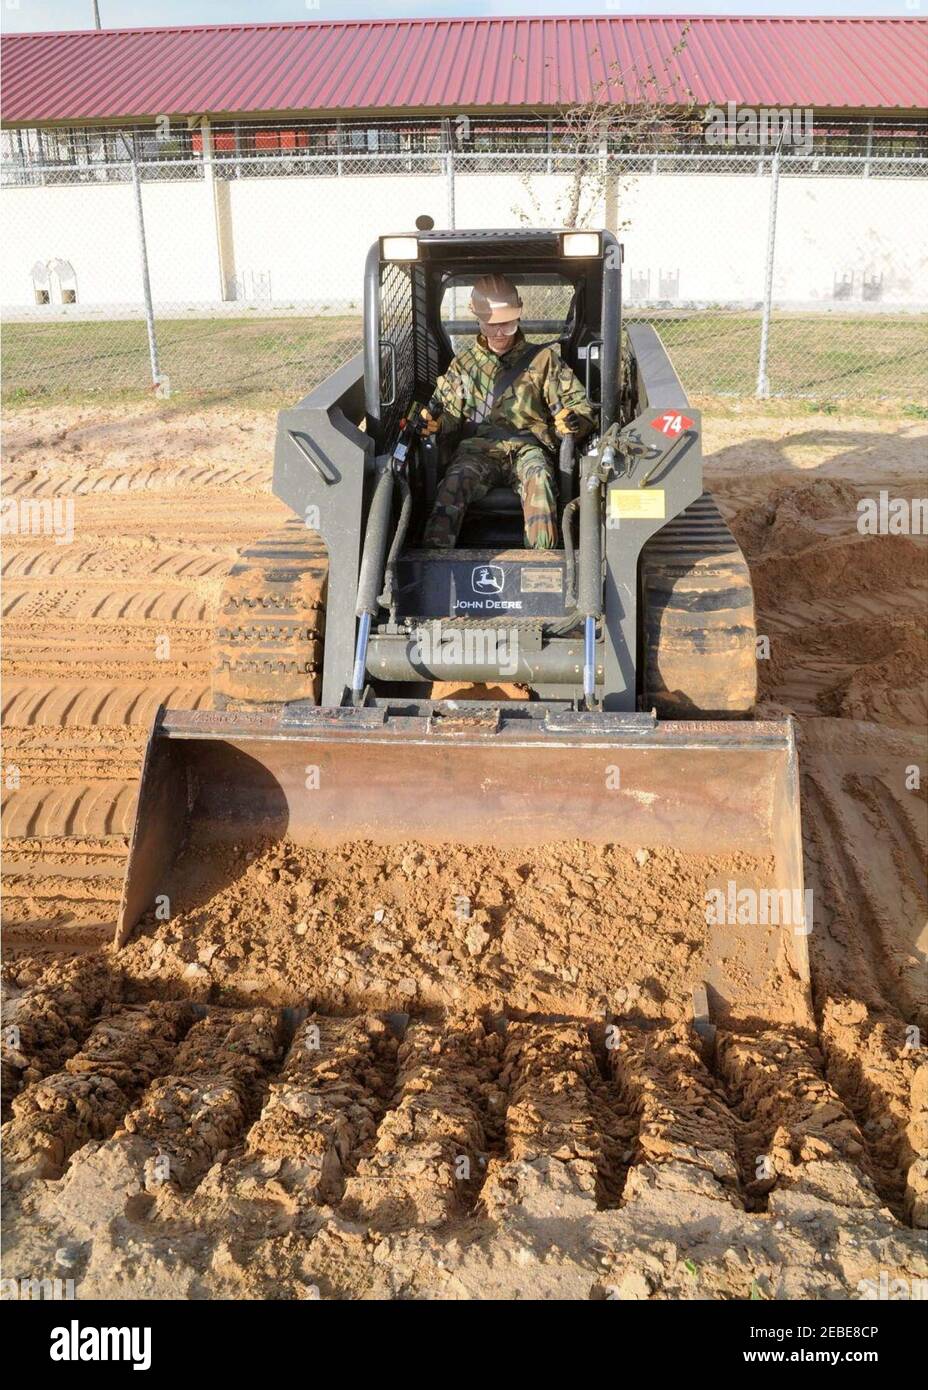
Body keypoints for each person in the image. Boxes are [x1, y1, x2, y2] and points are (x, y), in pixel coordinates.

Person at [419, 274, 595, 549]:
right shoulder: (463, 365)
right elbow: (450, 414)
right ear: (477, 319)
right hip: (478, 450)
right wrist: (437, 423)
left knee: (540, 478)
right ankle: (433, 563)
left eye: (507, 325)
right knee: (455, 481)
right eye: (491, 326)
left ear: (519, 316)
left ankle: (542, 565)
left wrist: (573, 421)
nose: (499, 333)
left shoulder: (544, 360)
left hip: (528, 448)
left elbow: (579, 407)